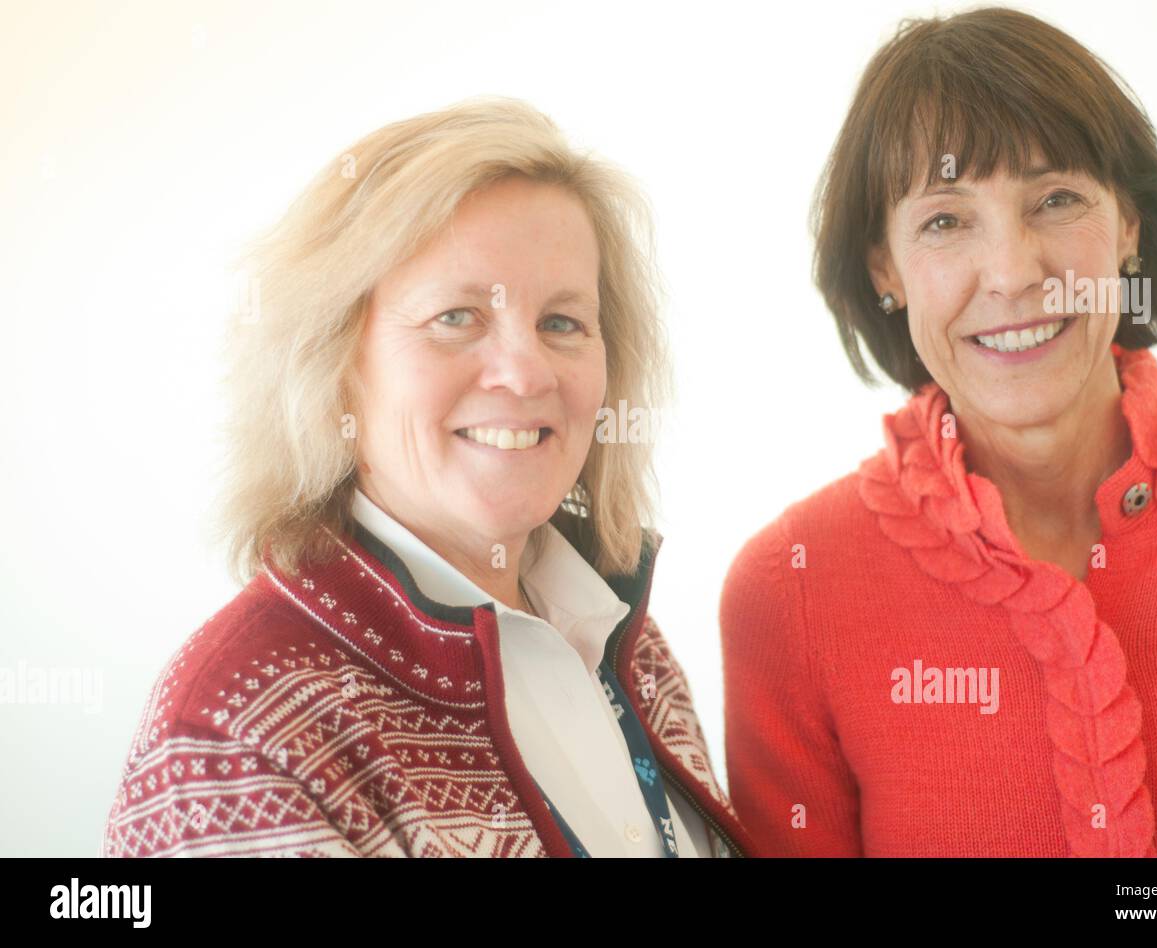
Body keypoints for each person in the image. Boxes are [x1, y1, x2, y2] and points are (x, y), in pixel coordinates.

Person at [102, 97, 752, 858]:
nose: (525, 371)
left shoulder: (627, 643)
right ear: (336, 366)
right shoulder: (232, 735)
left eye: (562, 322)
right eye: (458, 316)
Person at [721, 7, 1157, 857]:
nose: (1015, 273)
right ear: (884, 266)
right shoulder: (789, 592)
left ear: (1129, 225)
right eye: (947, 221)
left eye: (1057, 199)